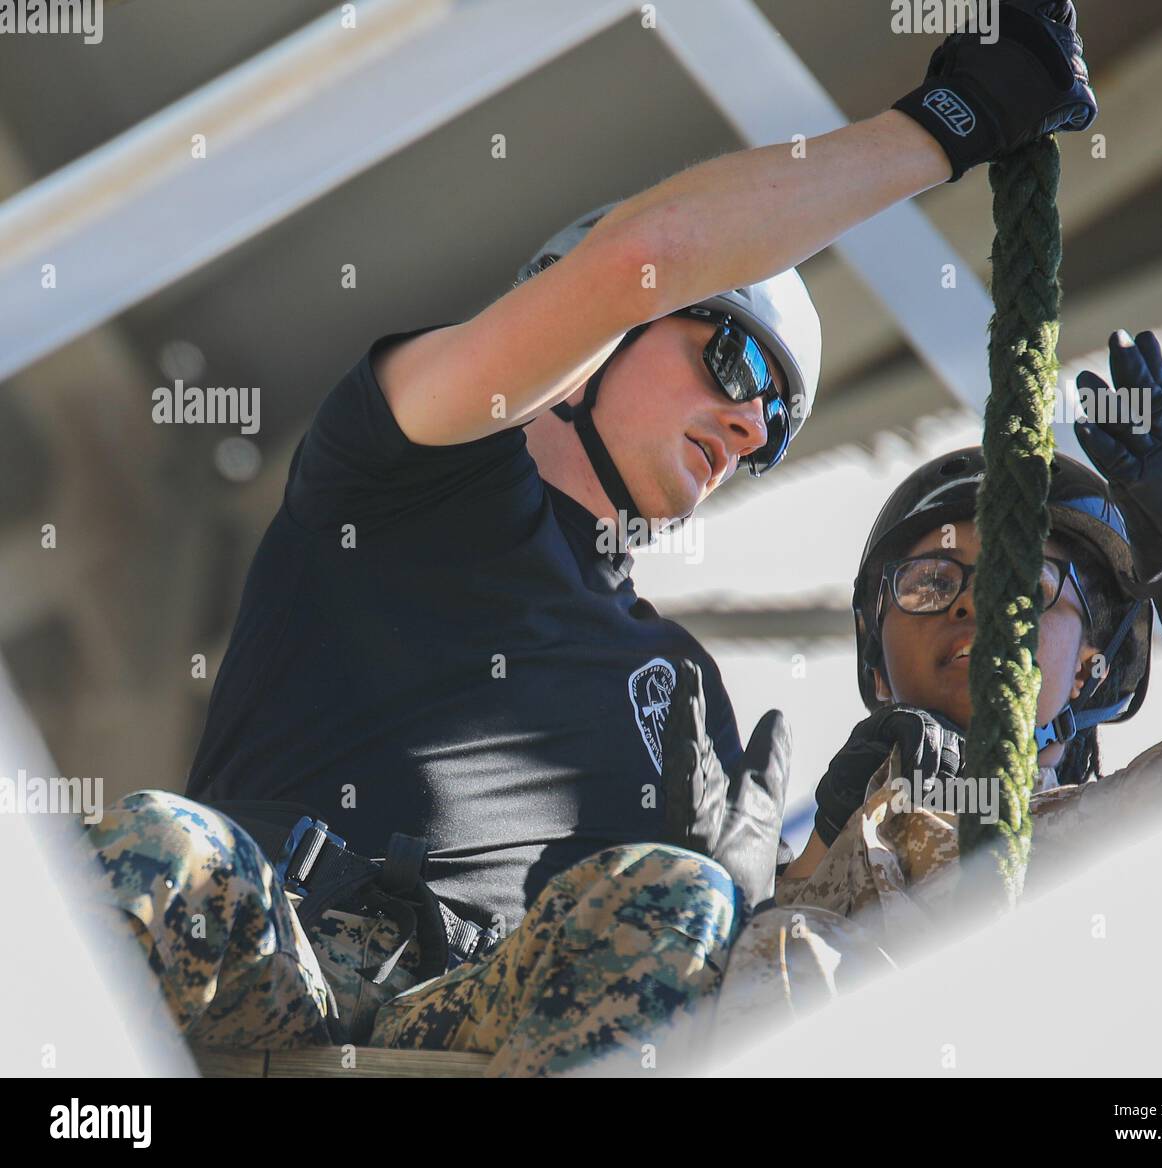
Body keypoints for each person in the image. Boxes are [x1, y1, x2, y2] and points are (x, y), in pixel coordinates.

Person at [85, 3, 1102, 1075]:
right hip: (262, 957)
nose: (752, 425)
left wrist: (815, 864)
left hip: (473, 1030)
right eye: (737, 365)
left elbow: (737, 989)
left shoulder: (683, 693)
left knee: (685, 900)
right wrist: (947, 125)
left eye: (775, 429)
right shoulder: (401, 472)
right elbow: (646, 256)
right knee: (165, 848)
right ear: (596, 340)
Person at [703, 330, 1162, 1039]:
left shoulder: (1157, 821)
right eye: (929, 583)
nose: (969, 604)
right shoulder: (778, 910)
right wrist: (818, 857)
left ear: (1091, 662)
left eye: (1024, 583)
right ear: (876, 665)